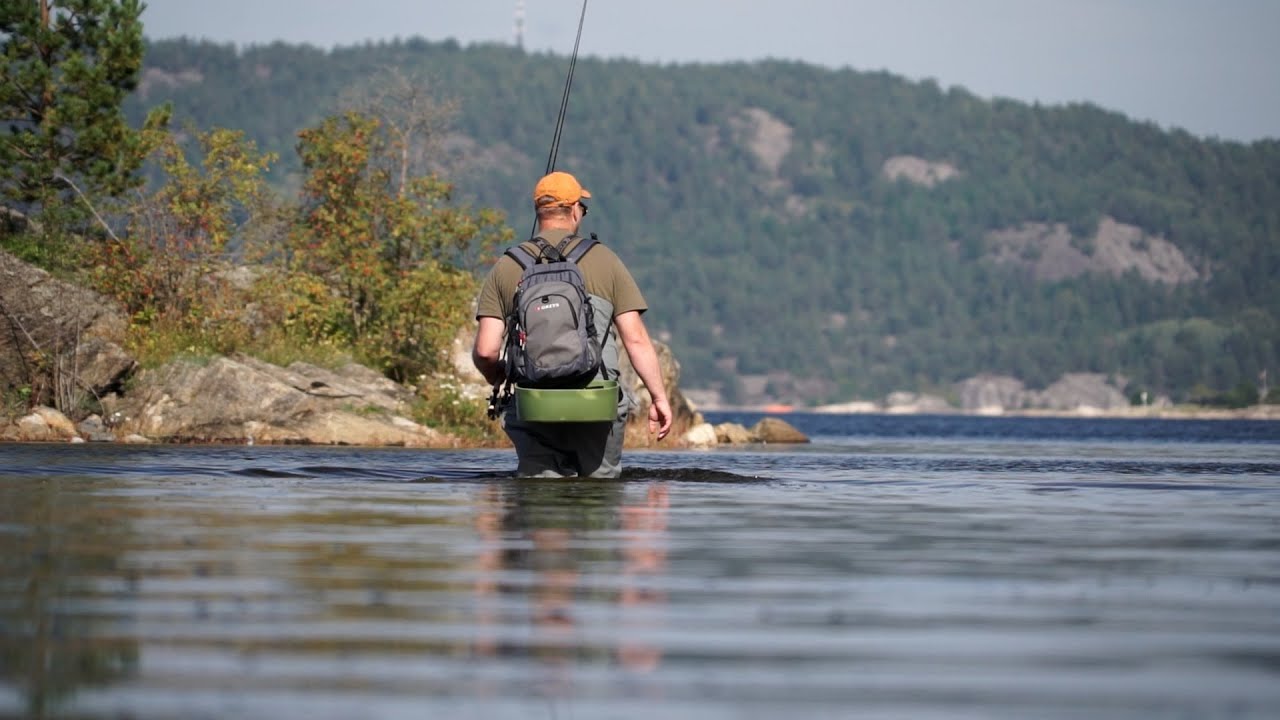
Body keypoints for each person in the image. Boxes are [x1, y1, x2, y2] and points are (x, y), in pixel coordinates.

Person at [472, 171, 673, 478]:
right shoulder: (604, 260)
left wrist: (499, 377)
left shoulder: (507, 265)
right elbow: (636, 340)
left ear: (539, 211)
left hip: (533, 399)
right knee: (598, 492)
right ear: (575, 209)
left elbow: (486, 350)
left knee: (540, 496)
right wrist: (659, 398)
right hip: (596, 398)